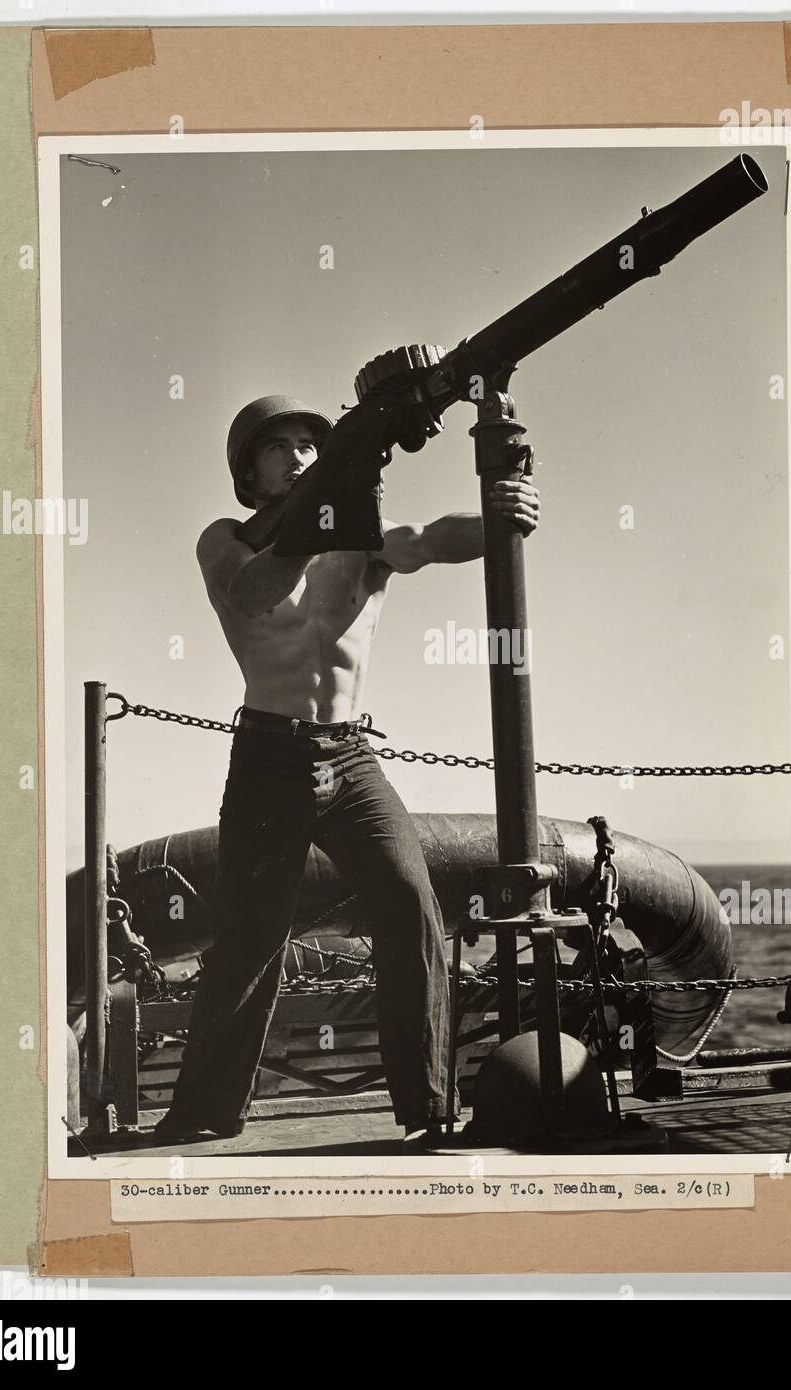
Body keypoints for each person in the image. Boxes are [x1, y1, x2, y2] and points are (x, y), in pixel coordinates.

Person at [152, 395, 541, 1146]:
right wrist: (322, 511)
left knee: (409, 905)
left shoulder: (358, 543)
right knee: (248, 938)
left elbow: (426, 541)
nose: (299, 455)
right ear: (247, 470)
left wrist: (500, 519)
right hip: (268, 752)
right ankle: (202, 1114)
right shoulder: (223, 539)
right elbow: (254, 590)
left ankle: (428, 1110)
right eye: (280, 446)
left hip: (351, 755)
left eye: (310, 443)